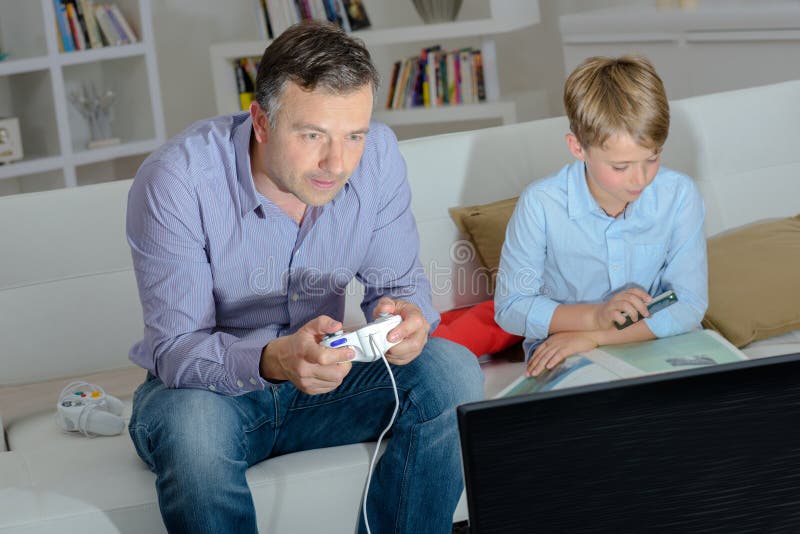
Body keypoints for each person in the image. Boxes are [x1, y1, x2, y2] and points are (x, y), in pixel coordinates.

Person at [125, 21, 483, 534]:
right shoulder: (177, 181)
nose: (336, 164)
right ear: (262, 122)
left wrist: (407, 320)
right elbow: (177, 348)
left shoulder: (377, 157)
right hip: (209, 395)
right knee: (195, 434)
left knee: (451, 371)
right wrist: (272, 360)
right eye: (312, 135)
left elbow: (400, 288)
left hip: (326, 380)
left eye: (353, 135)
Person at [494, 55, 708, 378]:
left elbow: (688, 303)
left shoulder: (679, 195)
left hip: (654, 341)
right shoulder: (540, 205)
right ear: (577, 147)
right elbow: (511, 307)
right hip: (562, 347)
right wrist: (594, 317)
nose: (640, 179)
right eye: (620, 167)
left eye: (652, 159)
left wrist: (594, 336)